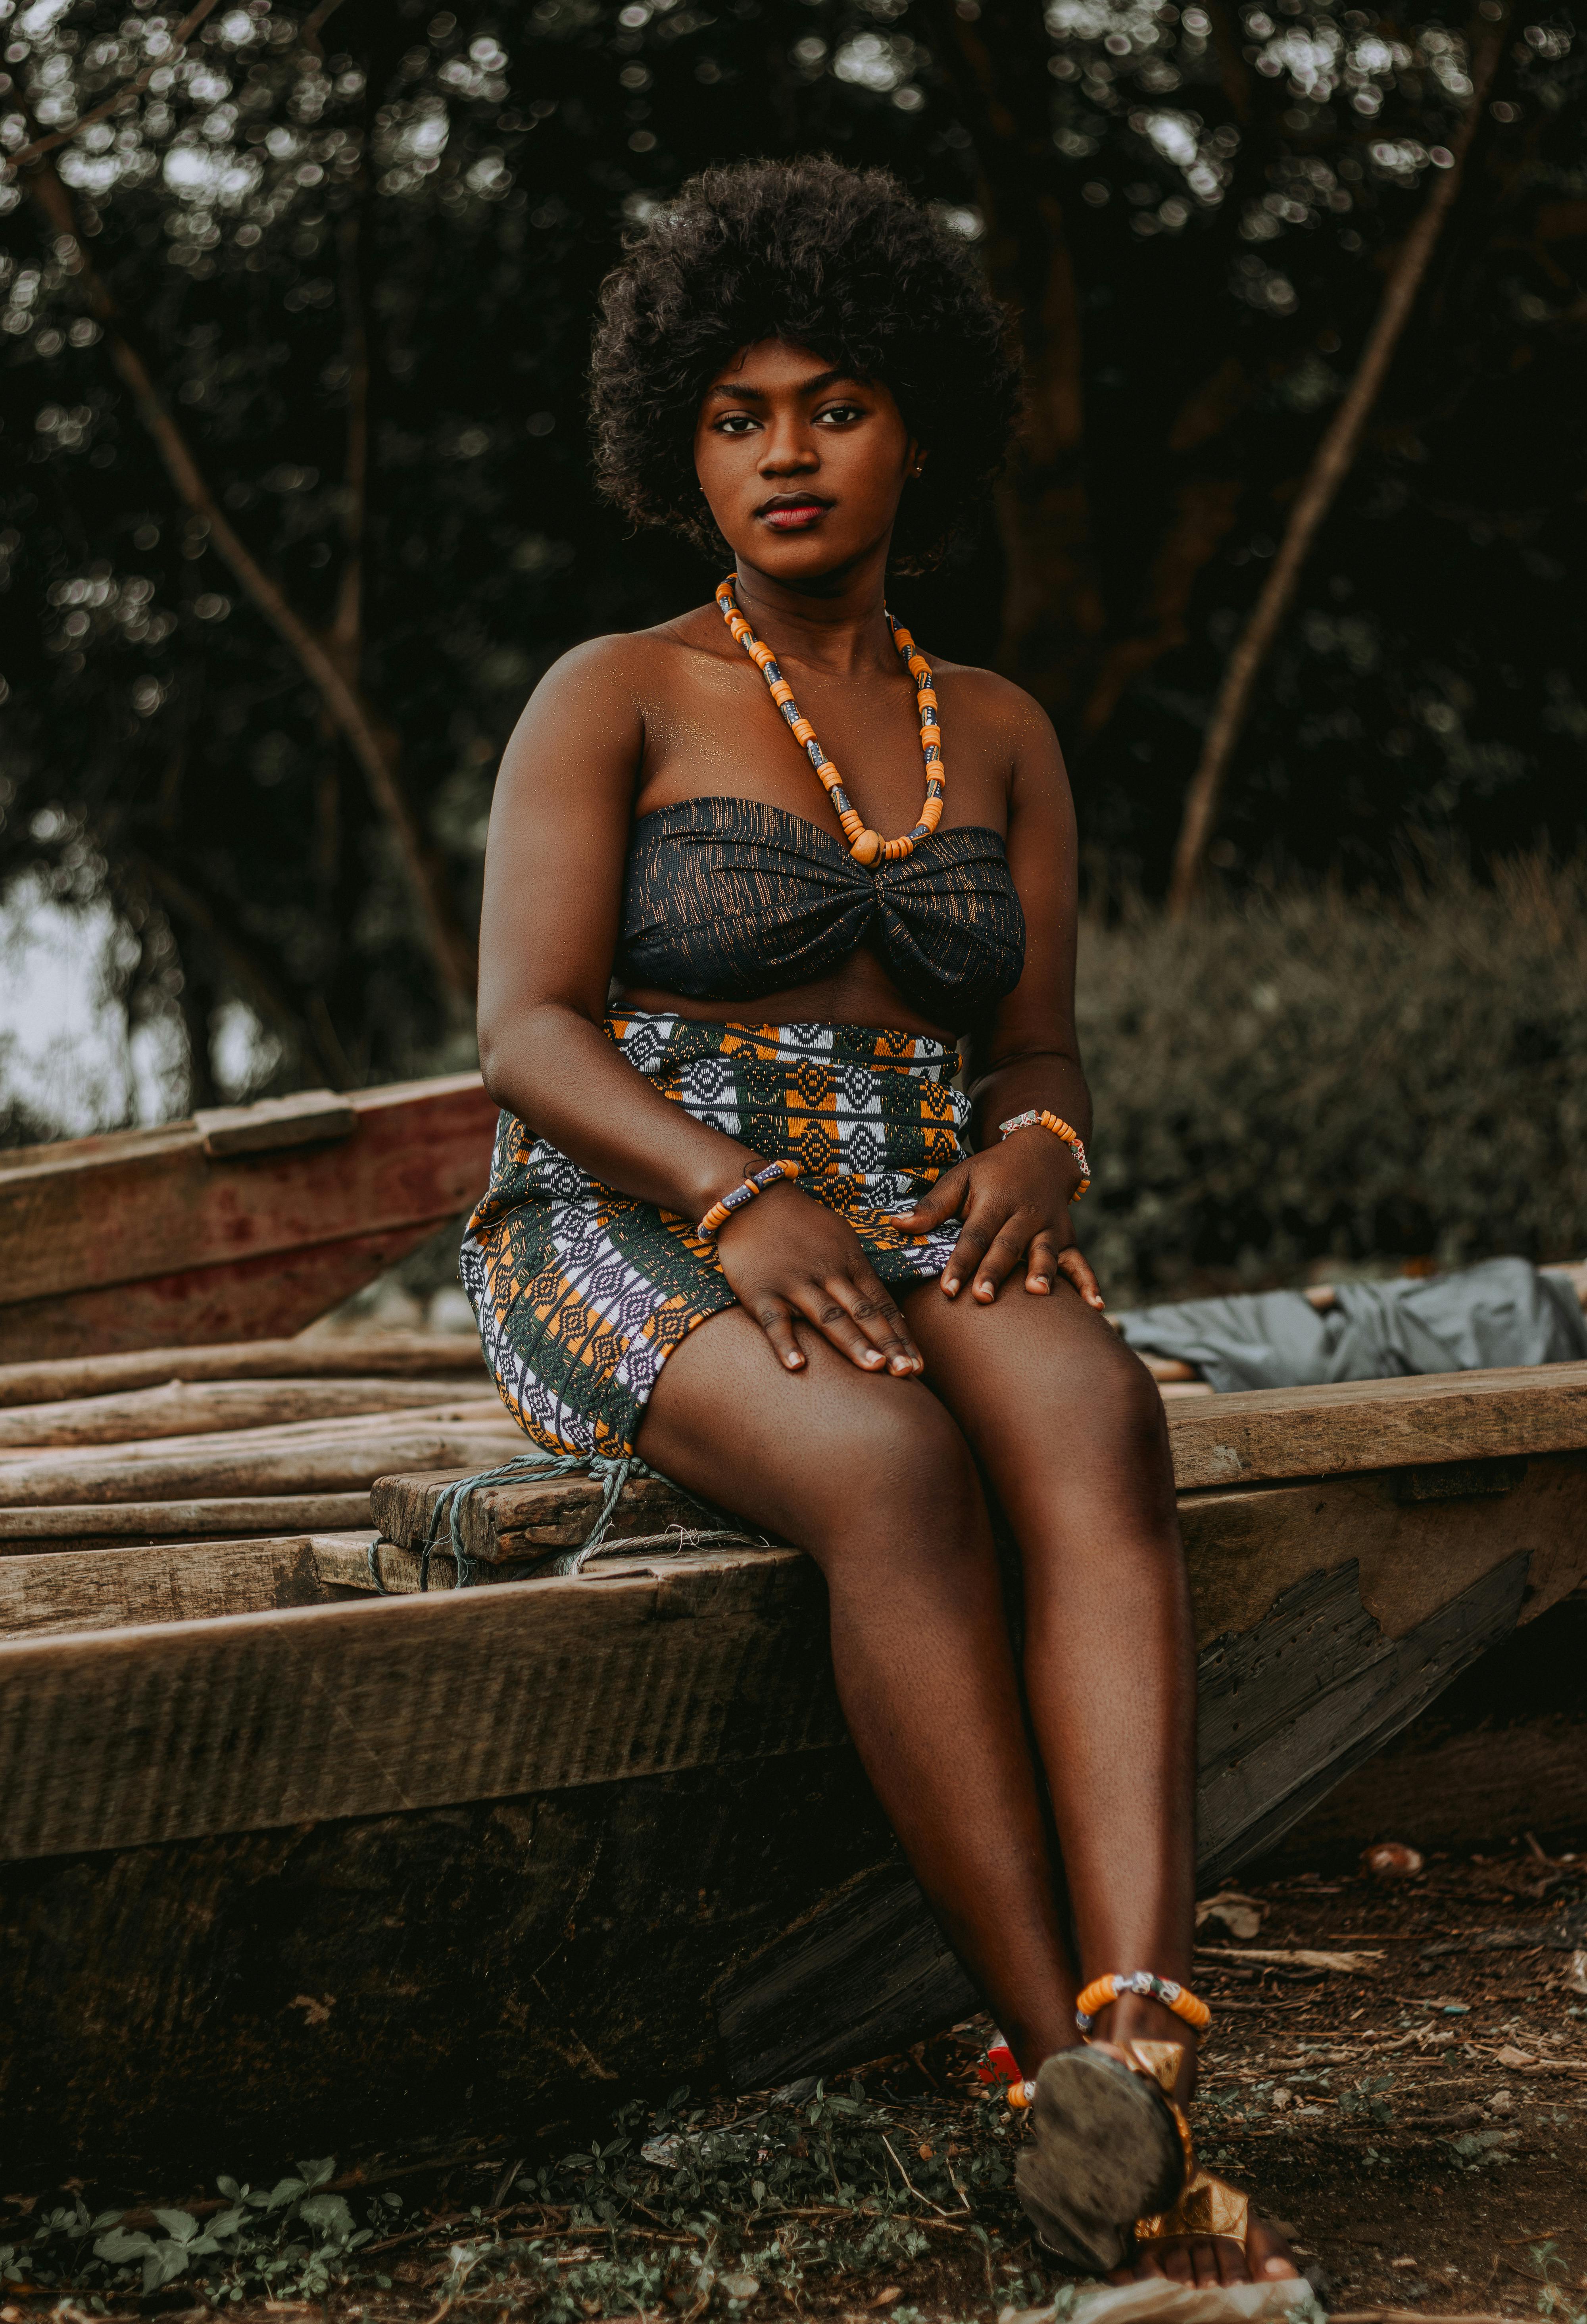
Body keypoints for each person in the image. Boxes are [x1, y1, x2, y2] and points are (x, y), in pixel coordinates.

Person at [465, 154, 1299, 2290]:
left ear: (915, 424)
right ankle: (1058, 2085)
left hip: (912, 1204)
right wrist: (732, 1194)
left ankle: (1143, 2036)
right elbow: (527, 1030)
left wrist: (1040, 1154)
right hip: (631, 1206)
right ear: (681, 449)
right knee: (891, 1464)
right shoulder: (615, 690)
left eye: (831, 406)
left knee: (1095, 1415)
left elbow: (1038, 1053)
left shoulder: (998, 730)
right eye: (735, 417)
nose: (785, 453)